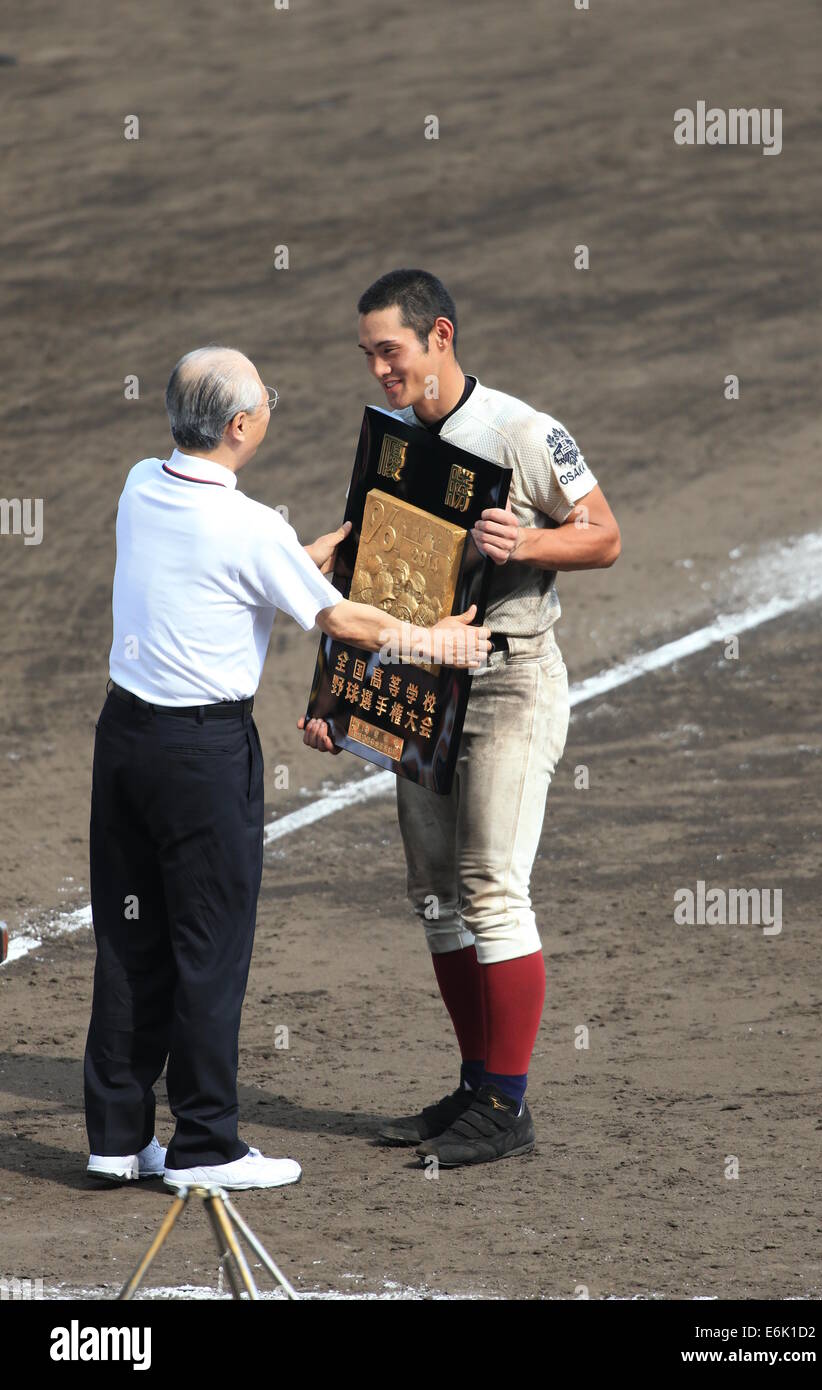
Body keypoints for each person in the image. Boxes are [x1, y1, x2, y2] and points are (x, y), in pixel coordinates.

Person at [84, 344, 489, 1191]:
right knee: (208, 945)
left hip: (124, 745)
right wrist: (438, 641)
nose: (272, 403)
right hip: (202, 759)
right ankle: (205, 1147)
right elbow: (348, 626)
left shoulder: (138, 485)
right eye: (265, 397)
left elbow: (216, 578)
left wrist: (305, 553)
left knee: (132, 939)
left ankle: (118, 1138)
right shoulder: (250, 526)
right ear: (240, 426)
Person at [300, 271, 621, 1168]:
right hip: (421, 685)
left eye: (389, 351)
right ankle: (479, 1082)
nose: (378, 370)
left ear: (439, 335)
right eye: (367, 355)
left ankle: (509, 1107)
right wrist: (333, 694)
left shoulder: (523, 432)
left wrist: (530, 541)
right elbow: (374, 577)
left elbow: (604, 534)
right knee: (436, 895)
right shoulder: (394, 439)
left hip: (513, 682)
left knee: (490, 886)